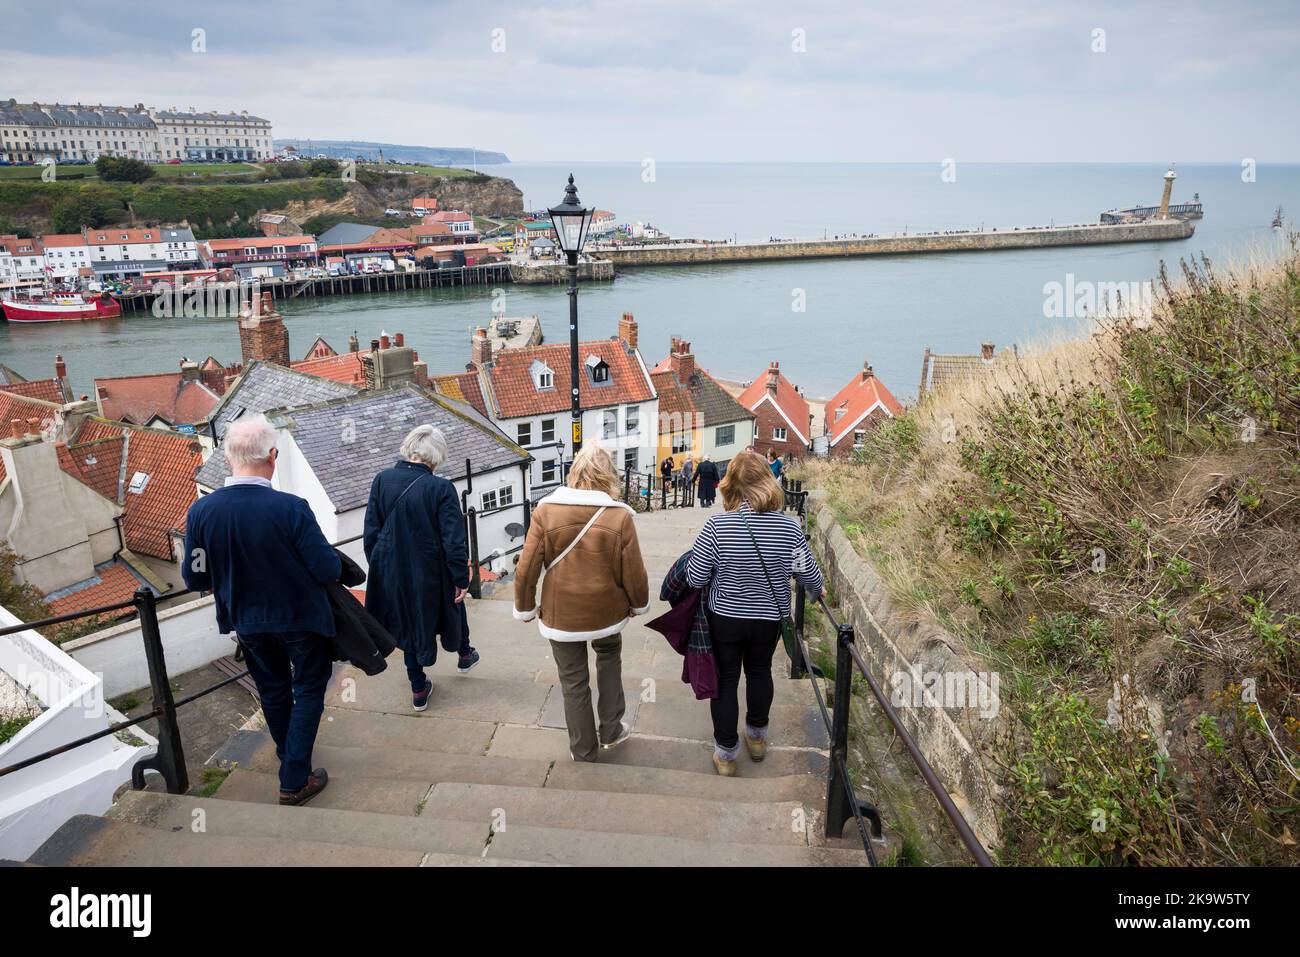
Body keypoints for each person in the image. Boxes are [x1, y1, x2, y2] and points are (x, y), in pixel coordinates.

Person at [183, 417, 341, 806]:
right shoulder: (290, 508)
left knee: (271, 689)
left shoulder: (202, 512)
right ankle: (293, 779)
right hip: (300, 617)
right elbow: (325, 568)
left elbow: (196, 576)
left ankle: (289, 754)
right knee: (308, 688)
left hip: (247, 621)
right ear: (273, 456)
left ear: (228, 457)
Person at [685, 451, 825, 776]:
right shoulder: (789, 528)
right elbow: (810, 576)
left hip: (726, 618)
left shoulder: (717, 526)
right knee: (760, 673)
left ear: (731, 485)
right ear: (768, 482)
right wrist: (818, 592)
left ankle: (726, 753)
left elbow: (695, 578)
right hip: (768, 619)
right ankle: (757, 738)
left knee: (726, 681)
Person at [514, 444, 650, 762]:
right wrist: (638, 603)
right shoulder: (619, 517)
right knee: (608, 656)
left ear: (574, 473)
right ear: (608, 476)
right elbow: (633, 570)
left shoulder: (546, 511)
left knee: (573, 679)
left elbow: (527, 568)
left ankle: (583, 748)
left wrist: (525, 606)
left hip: (561, 613)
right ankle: (612, 729)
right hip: (607, 609)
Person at [364, 425, 478, 713]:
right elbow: (453, 541)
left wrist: (382, 568)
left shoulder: (382, 480)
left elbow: (371, 532)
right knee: (454, 598)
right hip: (431, 572)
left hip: (393, 571)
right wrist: (461, 577)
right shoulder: (440, 488)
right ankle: (464, 653)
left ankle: (418, 688)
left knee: (408, 624)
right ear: (436, 455)